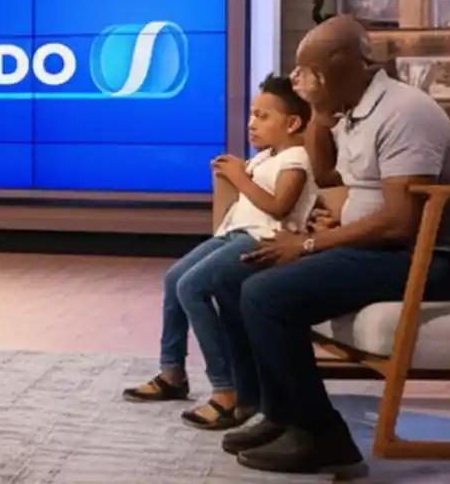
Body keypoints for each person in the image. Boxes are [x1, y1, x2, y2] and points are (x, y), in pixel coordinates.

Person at [211, 15, 450, 476]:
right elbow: (328, 174)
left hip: (421, 259)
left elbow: (401, 222)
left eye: (305, 71)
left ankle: (323, 436)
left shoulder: (404, 112)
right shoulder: (353, 111)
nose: (297, 79)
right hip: (372, 248)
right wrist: (321, 113)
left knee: (268, 294)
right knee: (234, 276)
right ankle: (278, 412)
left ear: (336, 67)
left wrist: (308, 243)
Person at [124, 75, 318, 430]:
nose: (252, 123)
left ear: (292, 123)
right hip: (233, 234)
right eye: (252, 115)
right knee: (174, 279)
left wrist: (240, 177)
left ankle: (226, 391)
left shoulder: (296, 157)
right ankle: (172, 372)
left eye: (263, 116)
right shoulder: (265, 158)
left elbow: (279, 206)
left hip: (261, 239)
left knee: (192, 288)